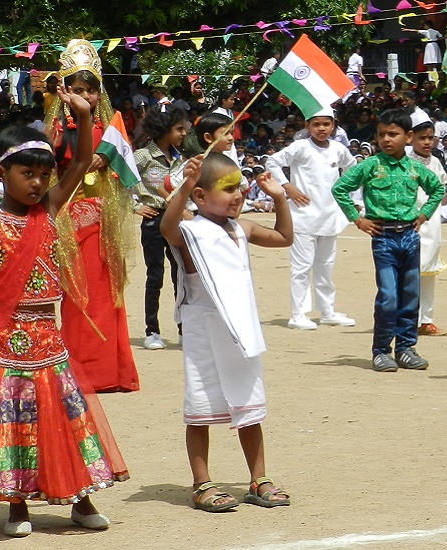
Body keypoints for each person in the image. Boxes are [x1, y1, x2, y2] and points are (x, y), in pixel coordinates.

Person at [0, 99, 125, 537]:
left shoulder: (49, 208)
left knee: (63, 418)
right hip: (6, 340)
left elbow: (82, 161)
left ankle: (80, 499)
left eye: (43, 175)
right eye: (27, 173)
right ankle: (16, 504)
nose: (37, 183)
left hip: (48, 338)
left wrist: (83, 116)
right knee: (12, 421)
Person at [161, 153, 293, 512]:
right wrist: (183, 188)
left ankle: (258, 479)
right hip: (203, 329)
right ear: (200, 196)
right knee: (200, 408)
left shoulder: (243, 228)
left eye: (240, 187)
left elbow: (284, 237)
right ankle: (201, 483)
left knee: (249, 407)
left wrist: (279, 197)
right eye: (228, 188)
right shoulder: (191, 231)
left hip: (241, 329)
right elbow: (167, 229)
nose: (238, 195)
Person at [48, 39, 139, 394]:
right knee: (77, 298)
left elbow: (121, 167)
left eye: (90, 89)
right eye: (77, 89)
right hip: (69, 222)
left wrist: (108, 160)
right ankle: (80, 370)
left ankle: (109, 372)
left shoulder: (110, 129)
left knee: (105, 296)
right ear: (65, 90)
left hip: (103, 221)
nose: (85, 95)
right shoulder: (56, 130)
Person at [332, 109, 444, 373]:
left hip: (410, 237)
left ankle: (406, 348)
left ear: (408, 136)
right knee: (389, 296)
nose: (386, 139)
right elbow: (340, 188)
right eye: (381, 134)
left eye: (393, 134)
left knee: (411, 294)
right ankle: (381, 351)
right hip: (383, 237)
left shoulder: (415, 168)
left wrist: (424, 214)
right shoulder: (370, 166)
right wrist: (357, 219)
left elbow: (438, 188)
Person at [265, 108, 358, 331]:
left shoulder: (338, 149)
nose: (321, 129)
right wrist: (288, 187)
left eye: (326, 124)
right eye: (316, 124)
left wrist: (345, 192)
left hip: (330, 216)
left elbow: (352, 167)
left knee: (325, 266)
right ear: (307, 126)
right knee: (301, 267)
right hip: (303, 216)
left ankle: (327, 311)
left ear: (333, 126)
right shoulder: (300, 147)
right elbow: (272, 162)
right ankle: (298, 314)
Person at [133, 105, 188, 350]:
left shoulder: (180, 158)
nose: (183, 133)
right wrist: (135, 206)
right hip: (154, 218)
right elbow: (118, 179)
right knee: (155, 275)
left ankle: (184, 329)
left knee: (180, 274)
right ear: (164, 130)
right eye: (179, 129)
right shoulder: (142, 156)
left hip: (175, 219)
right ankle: (152, 331)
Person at [404, 108, 447, 337]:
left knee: (429, 272)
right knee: (409, 273)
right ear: (410, 137)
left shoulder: (436, 162)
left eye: (430, 138)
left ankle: (426, 320)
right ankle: (406, 319)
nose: (427, 142)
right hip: (409, 224)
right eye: (421, 137)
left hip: (432, 226)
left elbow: (441, 190)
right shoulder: (404, 163)